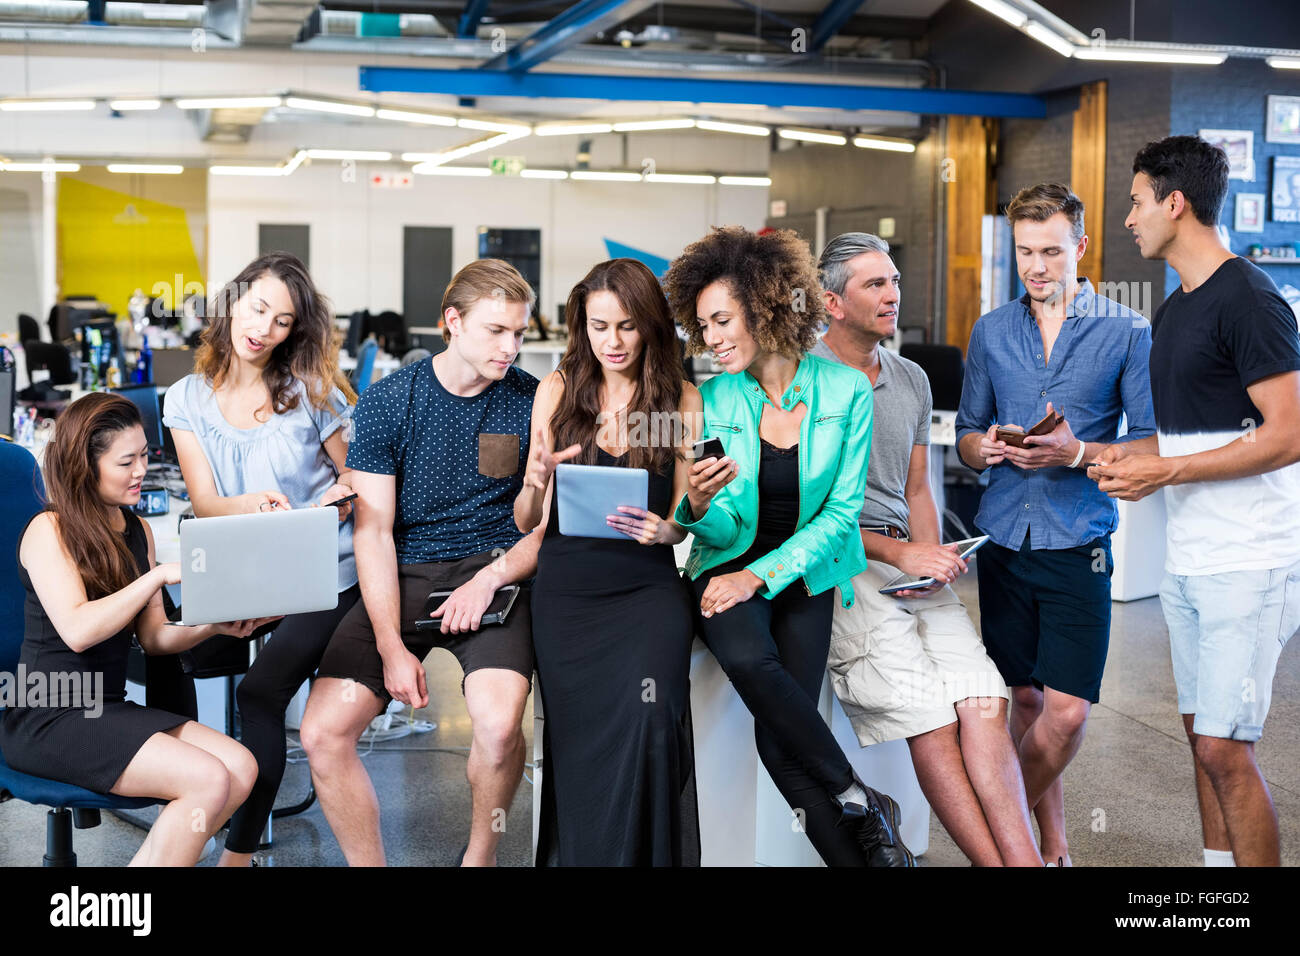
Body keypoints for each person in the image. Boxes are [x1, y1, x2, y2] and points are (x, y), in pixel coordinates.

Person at [663, 225, 912, 867]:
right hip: (723, 567)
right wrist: (695, 506)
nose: (711, 340)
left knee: (780, 745)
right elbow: (715, 530)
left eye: (722, 321)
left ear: (766, 306)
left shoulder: (846, 391)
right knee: (749, 661)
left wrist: (760, 578)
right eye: (702, 326)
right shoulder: (709, 401)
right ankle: (859, 795)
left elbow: (841, 514)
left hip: (807, 572)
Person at [1094, 136, 1300, 867]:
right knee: (1201, 740)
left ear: (1175, 203)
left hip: (1251, 559)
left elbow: (1286, 435)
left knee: (1224, 745)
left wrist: (1165, 476)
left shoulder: (1249, 298)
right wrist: (1113, 456)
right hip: (1191, 559)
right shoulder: (1176, 310)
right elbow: (1183, 441)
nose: (1129, 219)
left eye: (1136, 201)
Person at [299, 259, 540, 867]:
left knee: (497, 726)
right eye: (495, 331)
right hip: (402, 573)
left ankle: (479, 858)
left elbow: (539, 522)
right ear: (451, 323)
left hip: (494, 575)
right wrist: (389, 646)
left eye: (519, 332)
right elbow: (373, 533)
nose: (510, 347)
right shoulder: (389, 401)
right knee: (322, 734)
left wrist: (491, 577)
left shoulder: (532, 401)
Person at [813, 233, 1042, 867]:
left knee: (984, 702)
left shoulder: (910, 377)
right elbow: (800, 517)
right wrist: (898, 555)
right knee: (934, 721)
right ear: (832, 302)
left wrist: (932, 557)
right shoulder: (801, 379)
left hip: (909, 567)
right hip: (846, 564)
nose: (894, 296)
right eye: (875, 285)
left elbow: (917, 486)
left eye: (894, 282)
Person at [955, 182, 1156, 866]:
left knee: (1067, 712)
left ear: (1081, 246)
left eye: (1050, 251)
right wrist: (980, 447)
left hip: (1080, 544)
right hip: (1005, 539)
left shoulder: (1127, 330)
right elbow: (966, 430)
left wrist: (1077, 452)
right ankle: (1051, 848)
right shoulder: (991, 330)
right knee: (1026, 701)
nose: (1036, 267)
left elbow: (1151, 445)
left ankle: (991, 830)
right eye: (1023, 252)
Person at [0, 393, 271, 866]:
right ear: (86, 464)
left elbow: (153, 638)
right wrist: (157, 575)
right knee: (207, 779)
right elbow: (79, 631)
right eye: (127, 461)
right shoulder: (50, 530)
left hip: (108, 705)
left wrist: (214, 626)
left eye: (145, 454)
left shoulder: (135, 529)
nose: (141, 469)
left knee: (241, 767)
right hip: (49, 710)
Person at [163, 251, 360, 867]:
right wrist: (251, 504)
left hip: (323, 573)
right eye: (257, 309)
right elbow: (204, 501)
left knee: (259, 694)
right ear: (232, 302)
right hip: (247, 569)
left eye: (282, 321)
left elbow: (358, 475)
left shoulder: (311, 393)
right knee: (172, 649)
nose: (264, 328)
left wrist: (340, 496)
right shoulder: (186, 397)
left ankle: (237, 855)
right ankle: (189, 788)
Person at [515, 258, 701, 866]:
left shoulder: (681, 400)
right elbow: (526, 521)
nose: (612, 342)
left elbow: (680, 522)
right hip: (568, 594)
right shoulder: (558, 390)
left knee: (651, 726)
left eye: (626, 326)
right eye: (598, 327)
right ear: (581, 327)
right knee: (577, 742)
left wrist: (671, 523)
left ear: (651, 327)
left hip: (645, 591)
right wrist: (537, 480)